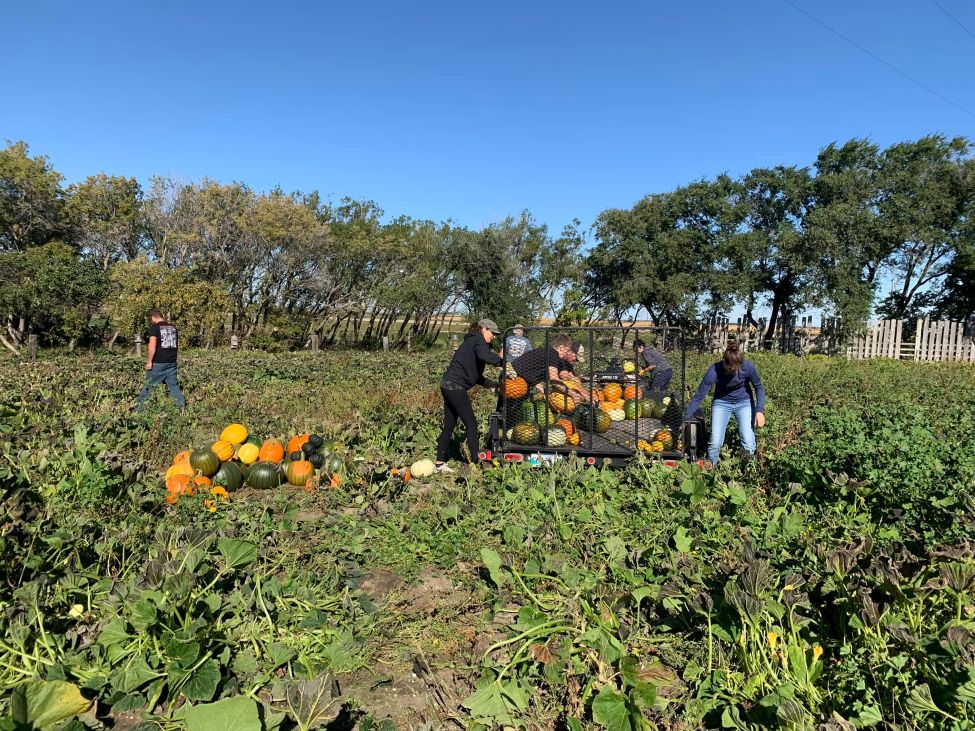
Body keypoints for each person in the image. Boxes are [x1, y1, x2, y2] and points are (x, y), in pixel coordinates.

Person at [435, 318, 503, 472]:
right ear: (484, 329)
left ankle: (439, 463)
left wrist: (491, 384)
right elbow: (486, 356)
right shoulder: (478, 340)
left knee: (449, 425)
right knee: (471, 423)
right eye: (493, 333)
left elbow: (473, 374)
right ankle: (476, 462)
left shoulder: (472, 342)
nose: (494, 336)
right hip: (455, 386)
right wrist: (503, 363)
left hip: (448, 385)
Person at [684, 340, 765, 464]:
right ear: (725, 363)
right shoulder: (714, 370)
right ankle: (711, 470)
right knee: (715, 442)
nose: (734, 371)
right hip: (722, 403)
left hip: (744, 403)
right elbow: (699, 396)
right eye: (731, 368)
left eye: (737, 368)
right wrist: (685, 418)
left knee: (748, 439)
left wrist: (759, 411)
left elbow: (759, 387)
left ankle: (748, 470)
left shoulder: (748, 367)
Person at [136, 310, 186, 411]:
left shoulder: (155, 327)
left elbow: (152, 345)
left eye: (150, 319)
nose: (151, 322)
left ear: (154, 317)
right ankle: (182, 407)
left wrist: (149, 361)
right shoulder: (173, 327)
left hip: (158, 363)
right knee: (173, 386)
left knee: (149, 386)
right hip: (172, 362)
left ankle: (138, 409)